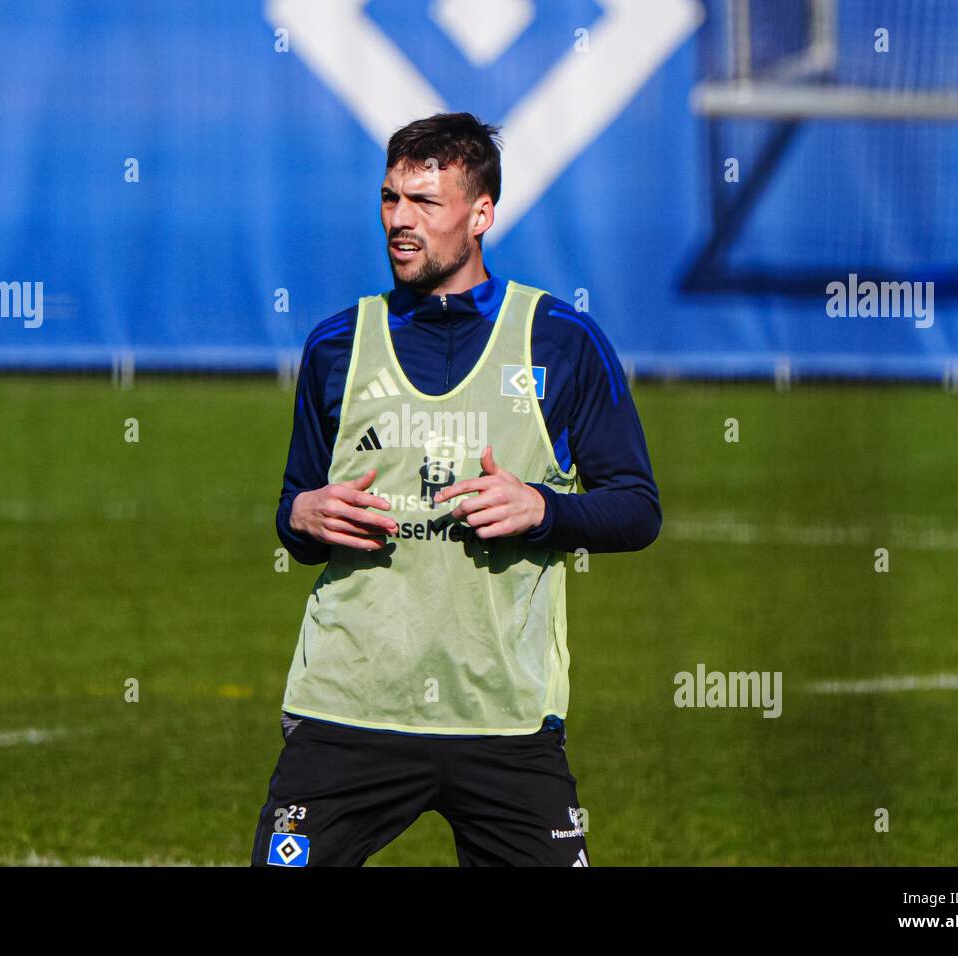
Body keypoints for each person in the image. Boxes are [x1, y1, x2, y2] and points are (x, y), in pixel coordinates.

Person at [251, 112, 661, 867]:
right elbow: (294, 509)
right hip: (349, 709)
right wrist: (303, 516)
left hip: (503, 719)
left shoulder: (561, 340)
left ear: (481, 215)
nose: (400, 221)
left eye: (425, 203)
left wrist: (544, 509)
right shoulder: (337, 346)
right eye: (389, 199)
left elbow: (638, 507)